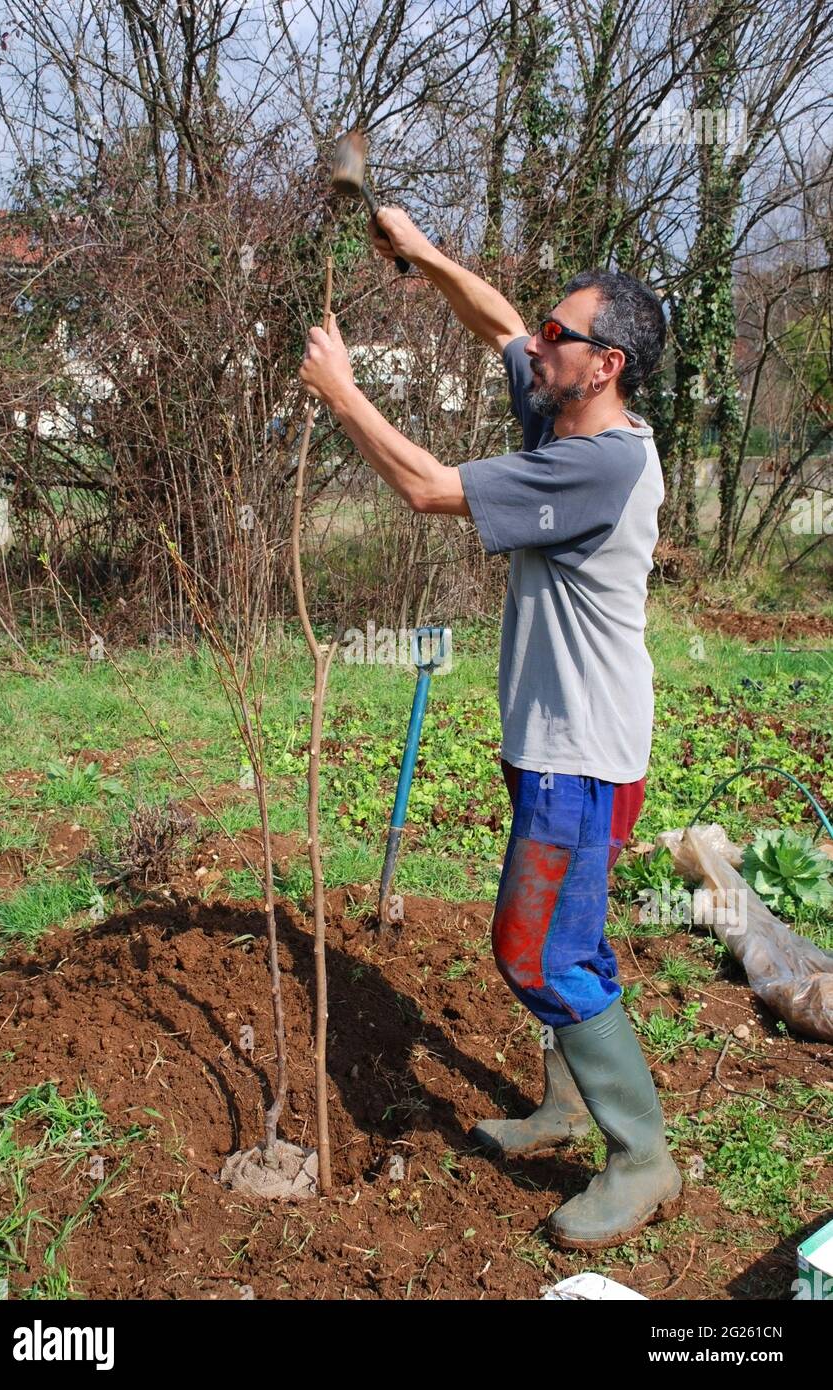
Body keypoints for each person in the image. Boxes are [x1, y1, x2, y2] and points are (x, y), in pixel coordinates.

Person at [299, 207, 682, 1251]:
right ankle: (564, 1104)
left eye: (561, 336)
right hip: (552, 739)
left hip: (584, 759)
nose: (535, 344)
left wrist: (341, 391)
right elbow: (499, 321)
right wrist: (422, 256)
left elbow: (428, 487)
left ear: (604, 365)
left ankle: (642, 1155)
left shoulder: (597, 466)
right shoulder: (566, 413)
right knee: (573, 939)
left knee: (535, 951)